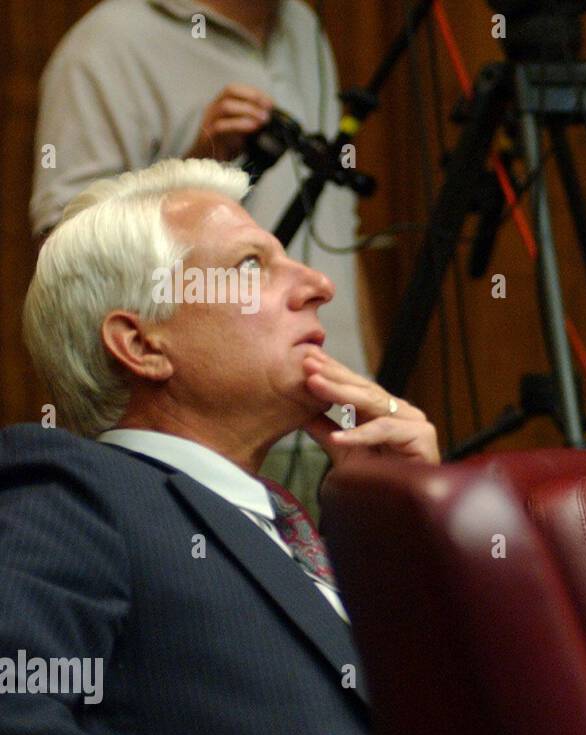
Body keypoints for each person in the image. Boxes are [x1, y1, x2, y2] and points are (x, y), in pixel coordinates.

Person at [1, 158, 438, 735]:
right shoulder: (76, 490)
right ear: (143, 343)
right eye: (250, 266)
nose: (319, 286)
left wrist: (409, 525)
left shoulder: (325, 533)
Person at [29, 0, 376, 518]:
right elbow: (71, 266)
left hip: (339, 425)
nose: (319, 286)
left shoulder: (304, 29)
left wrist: (371, 384)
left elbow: (340, 237)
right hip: (201, 435)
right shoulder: (107, 43)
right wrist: (196, 166)